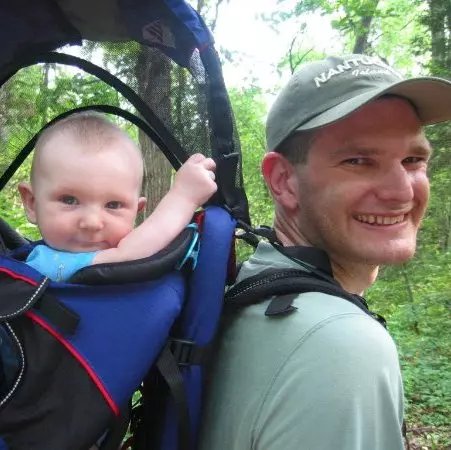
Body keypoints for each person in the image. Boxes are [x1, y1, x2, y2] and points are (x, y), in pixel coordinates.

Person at [199, 54, 451, 450]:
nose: (402, 191)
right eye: (358, 160)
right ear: (284, 181)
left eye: (413, 159)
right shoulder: (339, 343)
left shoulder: (253, 286)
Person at [18, 111, 217, 281]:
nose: (92, 222)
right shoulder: (45, 263)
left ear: (136, 212)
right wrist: (184, 197)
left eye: (113, 205)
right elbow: (131, 253)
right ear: (33, 204)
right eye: (69, 200)